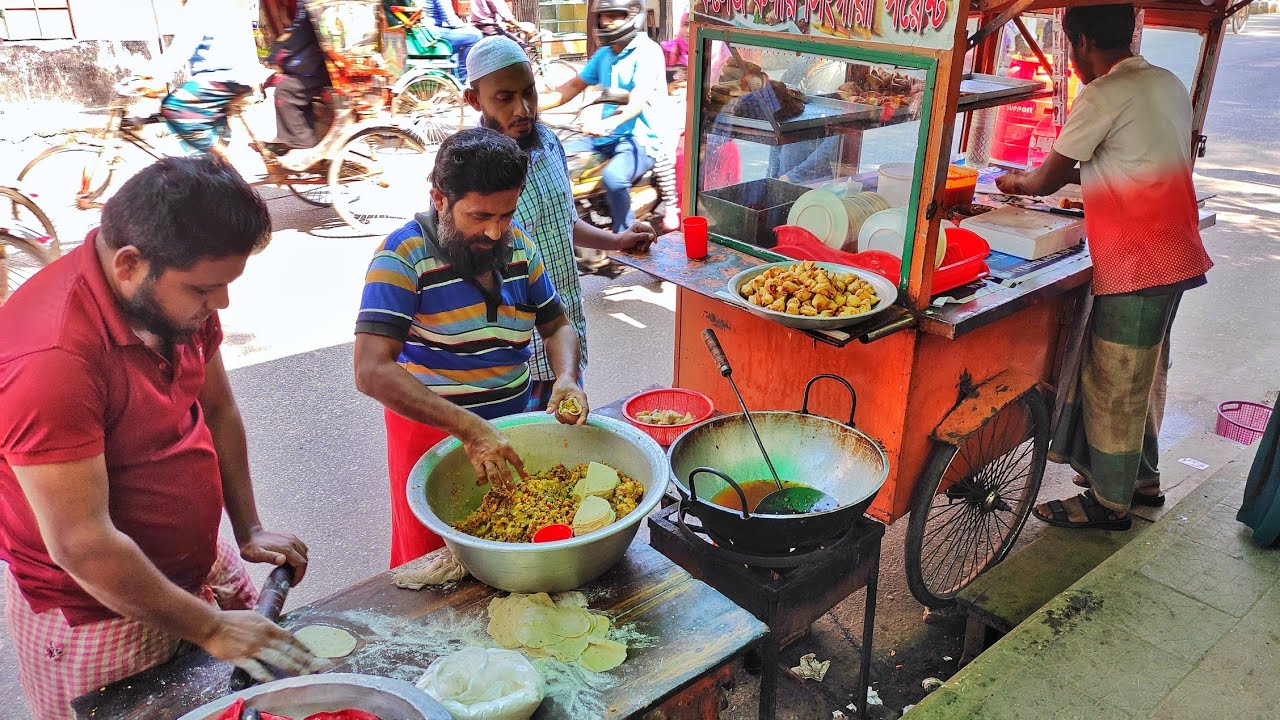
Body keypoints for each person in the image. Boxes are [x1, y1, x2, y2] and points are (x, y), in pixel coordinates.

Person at [0, 156, 317, 719]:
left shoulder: (177, 305)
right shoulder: (51, 359)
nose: (220, 305)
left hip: (196, 568)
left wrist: (248, 524)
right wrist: (212, 627)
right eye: (205, 289)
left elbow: (216, 408)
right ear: (129, 264)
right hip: (97, 610)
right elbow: (81, 544)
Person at [996, 3, 1213, 530]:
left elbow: (1047, 178)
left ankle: (1110, 503)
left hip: (1140, 259)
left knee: (1115, 380)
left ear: (1082, 41)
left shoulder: (1105, 92)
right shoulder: (1164, 82)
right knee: (1143, 373)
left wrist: (1011, 185)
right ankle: (1141, 480)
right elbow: (1131, 159)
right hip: (1174, 250)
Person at [354, 128, 590, 567]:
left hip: (512, 430)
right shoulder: (401, 256)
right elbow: (371, 370)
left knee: (511, 556)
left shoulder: (519, 246)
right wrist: (471, 429)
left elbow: (557, 325)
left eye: (506, 214)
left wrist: (566, 378)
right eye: (479, 216)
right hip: (432, 438)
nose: (495, 231)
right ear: (440, 199)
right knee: (433, 570)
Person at [464, 36, 657, 411]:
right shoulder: (467, 172)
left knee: (566, 455)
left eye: (529, 93)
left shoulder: (549, 142)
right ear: (476, 100)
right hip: (512, 361)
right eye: (504, 98)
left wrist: (617, 241)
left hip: (564, 337)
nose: (522, 109)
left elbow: (561, 224)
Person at [540, 0, 673, 233]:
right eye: (603, 16)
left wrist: (607, 123)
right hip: (604, 138)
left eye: (614, 15)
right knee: (557, 154)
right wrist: (531, 106)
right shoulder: (604, 54)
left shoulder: (648, 52)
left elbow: (636, 101)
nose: (606, 22)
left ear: (633, 16)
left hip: (640, 140)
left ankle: (626, 236)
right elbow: (573, 85)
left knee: (614, 178)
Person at [141, 0, 268, 154]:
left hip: (224, 78)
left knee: (173, 107)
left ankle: (218, 159)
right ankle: (210, 157)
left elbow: (182, 48)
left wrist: (157, 75)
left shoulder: (199, 5)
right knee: (206, 122)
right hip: (239, 77)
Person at [266, 2, 333, 159]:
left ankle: (302, 141)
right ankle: (297, 137)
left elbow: (300, 33)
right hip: (320, 62)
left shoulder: (312, 4)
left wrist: (279, 54)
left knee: (285, 89)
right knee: (287, 85)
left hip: (323, 67)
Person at [418, 0, 484, 83]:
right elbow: (449, 17)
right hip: (433, 31)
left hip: (427, 30)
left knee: (463, 37)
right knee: (475, 35)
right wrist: (467, 26)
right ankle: (461, 76)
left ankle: (456, 74)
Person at [470, 0, 537, 38]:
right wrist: (523, 27)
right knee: (520, 46)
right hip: (489, 28)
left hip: (479, 25)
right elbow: (505, 14)